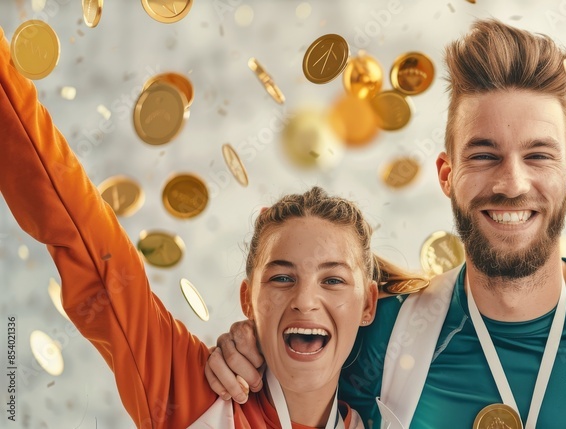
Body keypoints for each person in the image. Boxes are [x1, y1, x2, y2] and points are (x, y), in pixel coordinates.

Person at [206, 19, 566, 429]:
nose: (512, 183)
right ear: (447, 175)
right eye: (484, 155)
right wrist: (248, 351)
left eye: (538, 156)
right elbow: (290, 368)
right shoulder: (379, 337)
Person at [0, 26, 424, 428]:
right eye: (281, 277)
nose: (304, 300)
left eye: (332, 279)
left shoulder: (398, 415)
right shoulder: (188, 391)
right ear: (247, 299)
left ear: (368, 304)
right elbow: (78, 226)